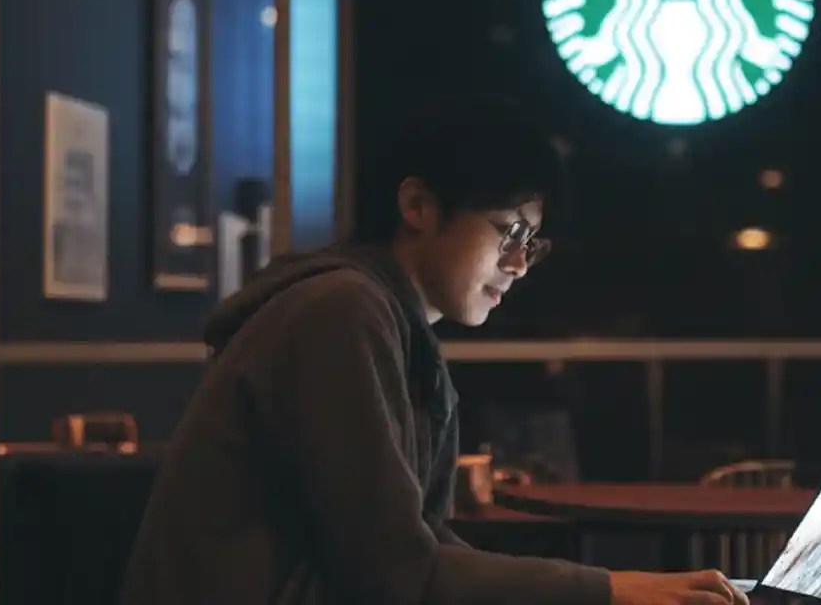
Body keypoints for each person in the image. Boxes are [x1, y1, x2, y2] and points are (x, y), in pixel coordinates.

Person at [120, 95, 748, 605]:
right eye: (510, 231)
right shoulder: (340, 313)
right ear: (418, 205)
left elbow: (418, 555)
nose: (521, 264)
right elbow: (397, 575)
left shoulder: (393, 325)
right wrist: (610, 591)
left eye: (534, 242)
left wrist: (609, 589)